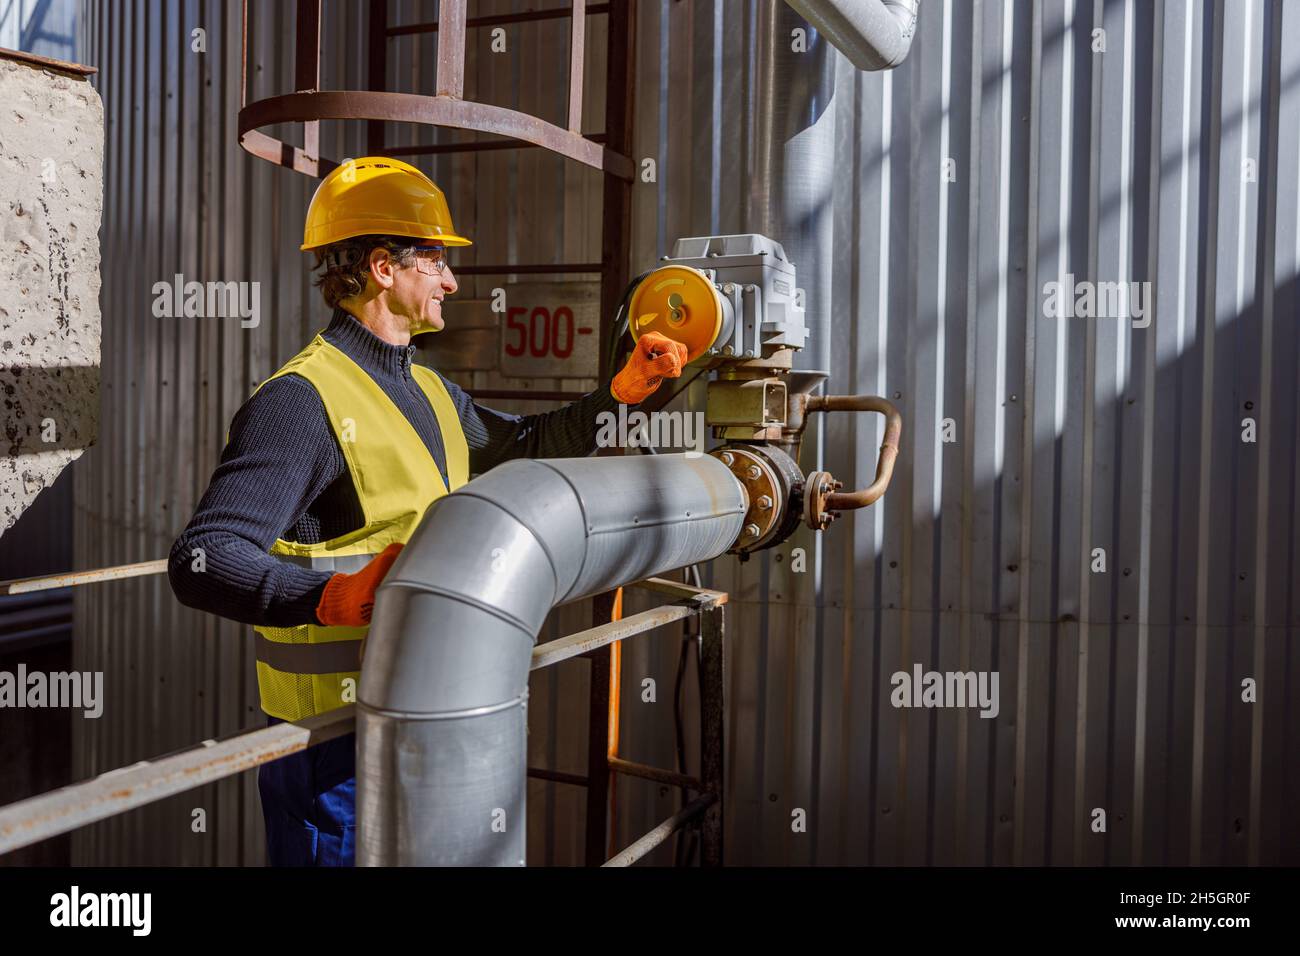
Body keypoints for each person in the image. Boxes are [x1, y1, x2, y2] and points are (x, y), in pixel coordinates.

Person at [168, 156, 687, 866]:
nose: (450, 280)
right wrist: (331, 597)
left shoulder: (429, 389)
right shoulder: (300, 402)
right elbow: (203, 559)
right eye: (437, 261)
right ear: (383, 267)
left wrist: (621, 395)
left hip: (421, 722)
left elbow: (530, 445)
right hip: (333, 752)